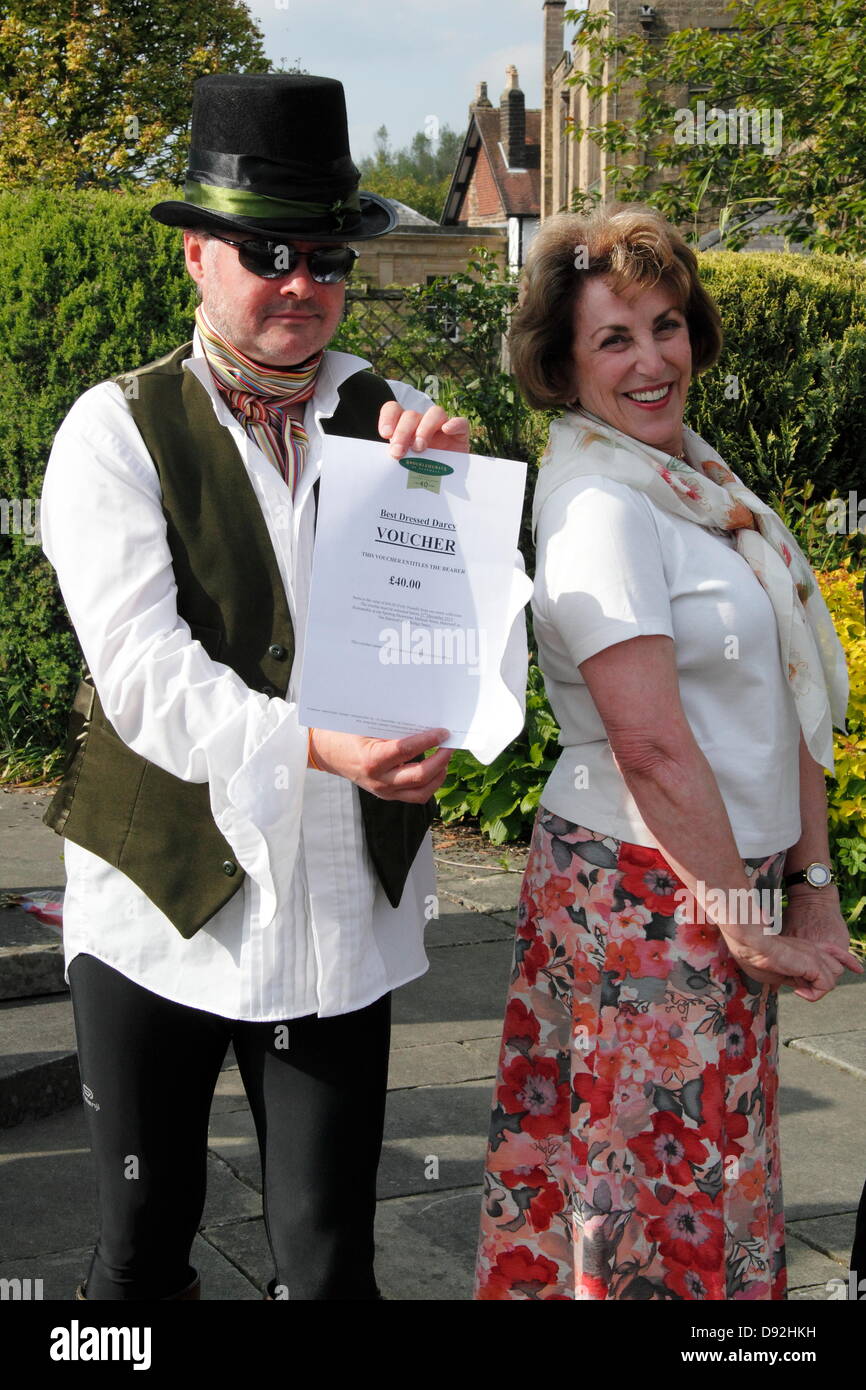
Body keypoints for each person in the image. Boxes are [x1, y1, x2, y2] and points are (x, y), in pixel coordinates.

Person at [40, 73, 526, 1302]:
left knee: (327, 1263)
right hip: (162, 904)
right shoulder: (115, 429)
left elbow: (479, 652)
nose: (300, 281)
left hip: (332, 919)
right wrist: (325, 747)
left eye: (325, 254)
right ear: (199, 256)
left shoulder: (402, 423)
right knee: (141, 1253)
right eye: (267, 251)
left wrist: (461, 520)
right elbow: (145, 676)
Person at [473, 205, 861, 1301]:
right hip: (642, 897)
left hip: (710, 886)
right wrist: (744, 917)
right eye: (613, 339)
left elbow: (780, 697)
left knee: (701, 1174)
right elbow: (646, 741)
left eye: (666, 324)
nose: (651, 360)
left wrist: (810, 890)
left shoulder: (697, 485)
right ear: (559, 366)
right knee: (651, 1197)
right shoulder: (600, 503)